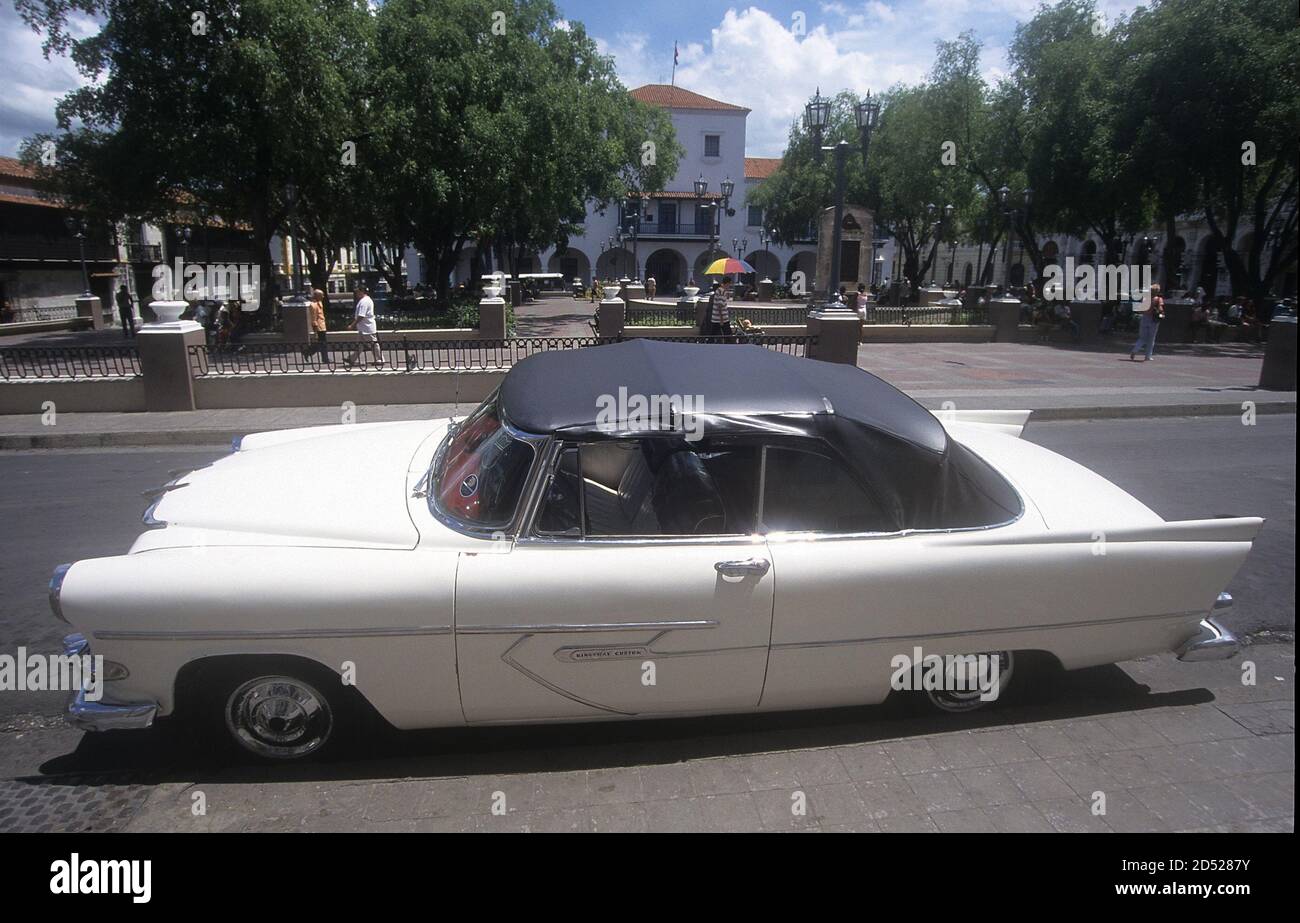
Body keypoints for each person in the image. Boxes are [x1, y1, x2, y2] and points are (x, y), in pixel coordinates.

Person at [345, 284, 383, 368]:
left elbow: (361, 315)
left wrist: (352, 325)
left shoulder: (364, 301)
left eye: (357, 292)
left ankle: (380, 359)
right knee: (360, 345)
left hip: (367, 327)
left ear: (362, 291)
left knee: (373, 343)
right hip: (363, 327)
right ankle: (352, 359)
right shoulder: (364, 300)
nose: (356, 293)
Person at [1129, 283, 1165, 361]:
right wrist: (1162, 316)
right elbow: (1161, 310)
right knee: (1151, 339)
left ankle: (1135, 350)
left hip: (1145, 318)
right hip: (1154, 320)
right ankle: (1148, 356)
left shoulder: (1145, 299)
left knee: (1142, 337)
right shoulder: (1159, 299)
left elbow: (1141, 309)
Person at [303, 288, 329, 361]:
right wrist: (315, 327)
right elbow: (314, 317)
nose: (323, 296)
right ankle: (325, 358)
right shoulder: (313, 305)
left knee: (321, 343)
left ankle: (307, 352)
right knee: (322, 343)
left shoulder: (320, 303)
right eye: (321, 295)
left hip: (322, 325)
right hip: (319, 326)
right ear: (317, 296)